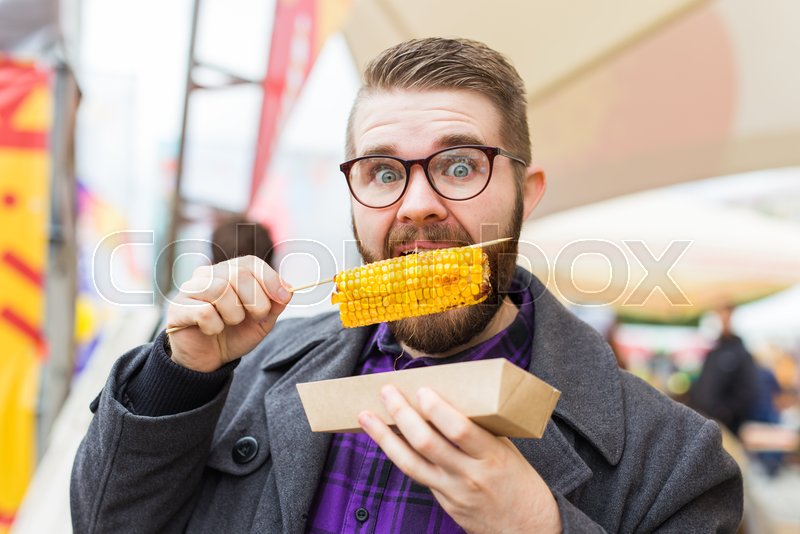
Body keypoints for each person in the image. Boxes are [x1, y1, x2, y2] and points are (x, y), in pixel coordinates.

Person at [71, 38, 742, 533]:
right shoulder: (243, 378)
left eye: (457, 165)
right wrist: (180, 375)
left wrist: (541, 527)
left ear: (526, 195)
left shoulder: (678, 463)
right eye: (385, 173)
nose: (416, 203)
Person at [690, 304, 760, 437]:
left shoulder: (740, 353)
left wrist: (725, 413)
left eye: (725, 314)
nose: (721, 319)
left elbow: (749, 392)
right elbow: (704, 386)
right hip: (705, 425)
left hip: (726, 429)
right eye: (718, 314)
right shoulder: (714, 352)